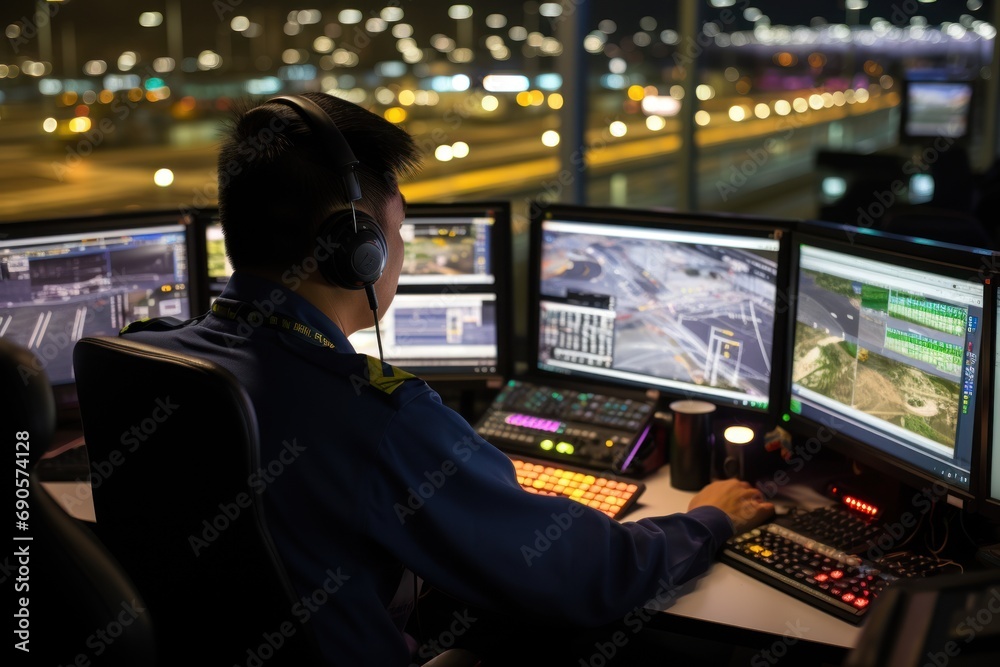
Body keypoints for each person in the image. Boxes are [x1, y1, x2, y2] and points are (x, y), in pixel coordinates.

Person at [119, 91, 774, 666]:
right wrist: (707, 519)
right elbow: (580, 574)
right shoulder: (375, 414)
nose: (398, 251)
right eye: (398, 229)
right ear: (357, 250)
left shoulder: (150, 359)